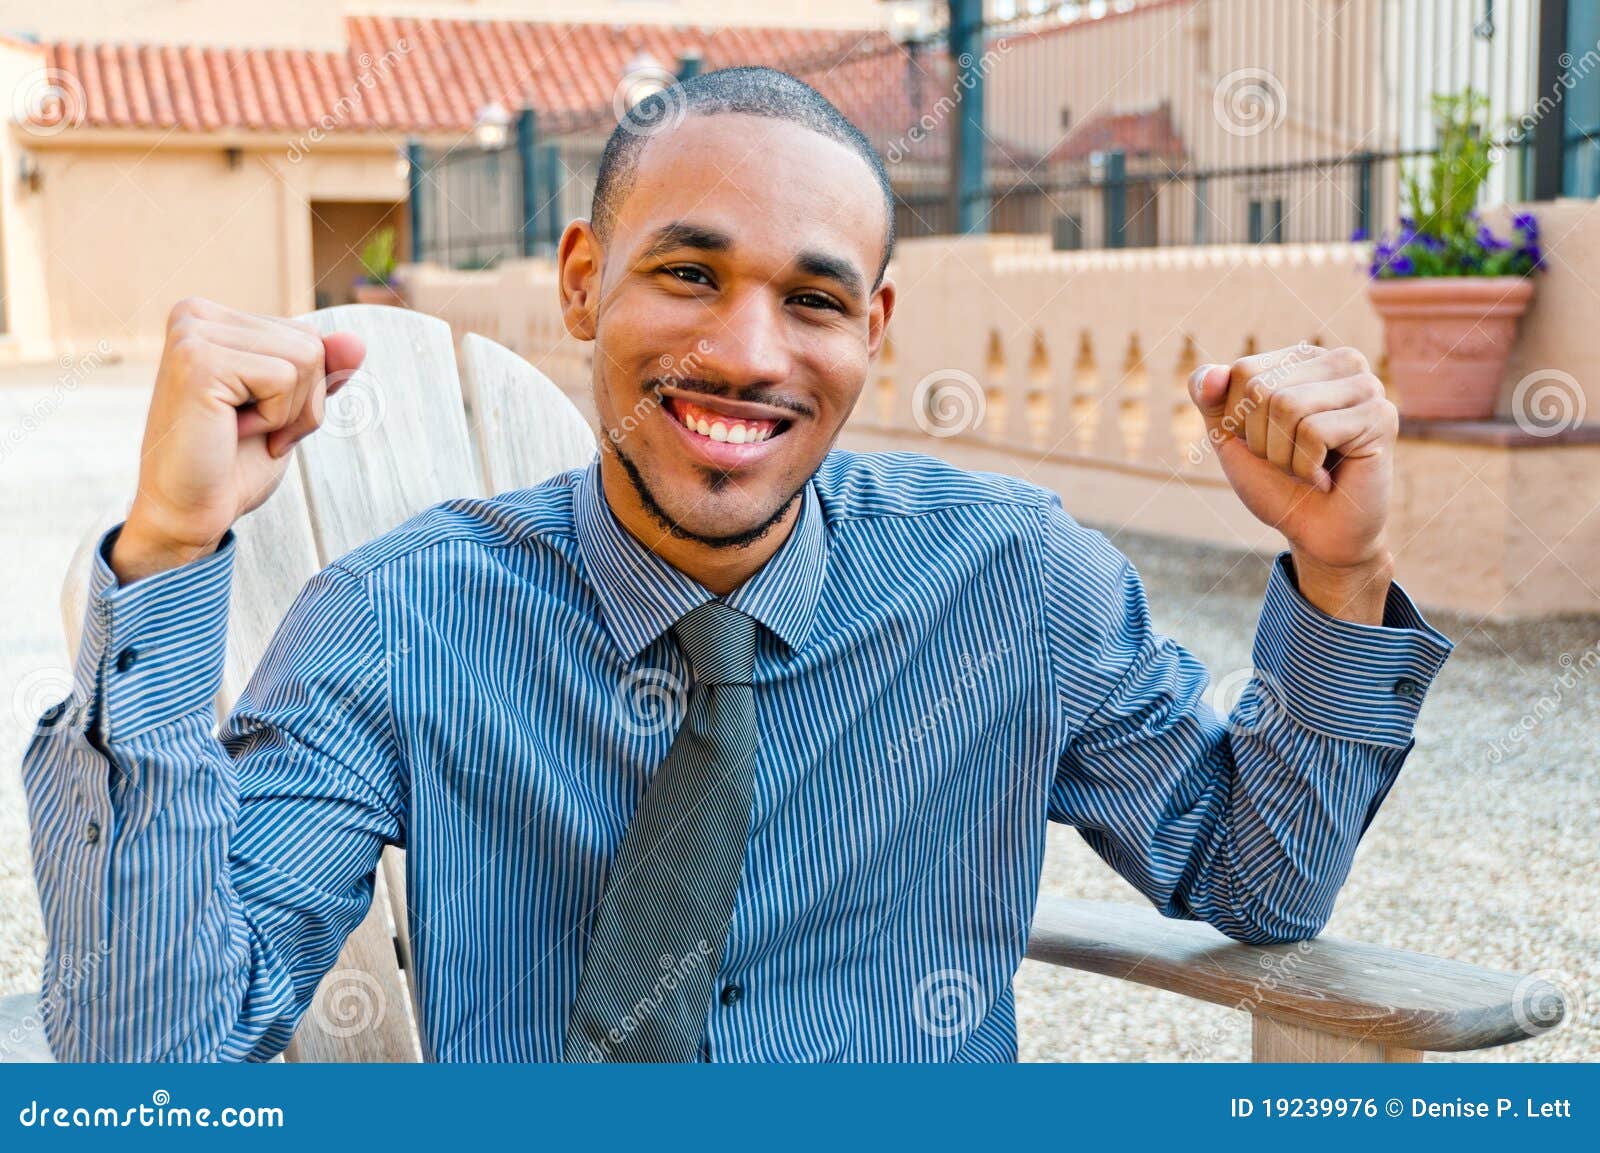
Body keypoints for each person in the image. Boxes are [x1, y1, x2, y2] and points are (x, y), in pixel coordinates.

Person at [23, 67, 1452, 1062]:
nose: (751, 353)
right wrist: (167, 552)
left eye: (814, 299)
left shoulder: (1015, 584)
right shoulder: (401, 619)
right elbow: (158, 1054)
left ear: (875, 330)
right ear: (584, 279)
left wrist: (1342, 566)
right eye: (690, 273)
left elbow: (1258, 881)